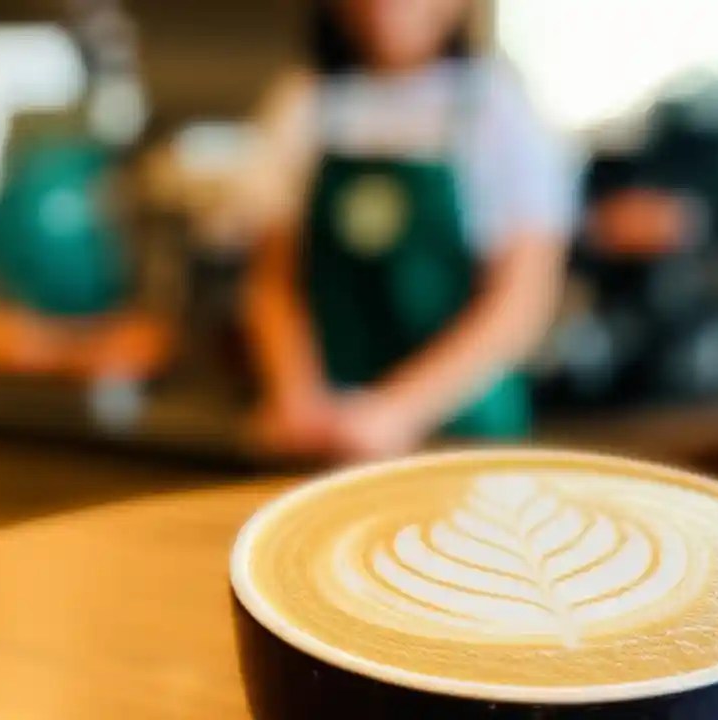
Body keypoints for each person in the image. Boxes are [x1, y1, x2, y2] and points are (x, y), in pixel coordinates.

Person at [243, 0, 574, 461]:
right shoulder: (305, 102)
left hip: (462, 436)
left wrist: (397, 411)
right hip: (329, 436)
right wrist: (296, 393)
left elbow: (522, 301)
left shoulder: (497, 108)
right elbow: (273, 284)